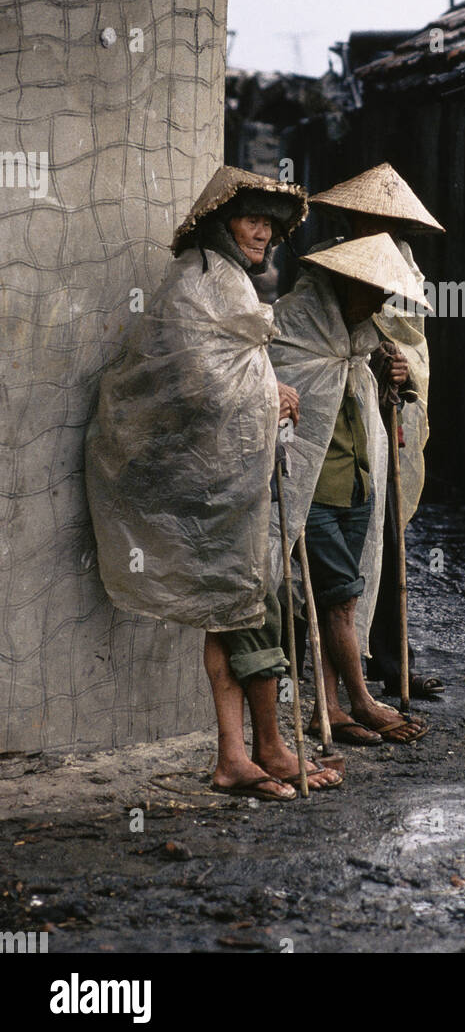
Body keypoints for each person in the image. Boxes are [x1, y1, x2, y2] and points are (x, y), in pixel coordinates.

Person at [85, 165, 339, 801]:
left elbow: (229, 368)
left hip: (232, 482)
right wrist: (266, 393)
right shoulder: (200, 280)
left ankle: (246, 754)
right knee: (244, 609)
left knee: (243, 611)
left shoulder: (225, 280)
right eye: (253, 220)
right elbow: (195, 384)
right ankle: (262, 750)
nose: (265, 234)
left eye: (273, 225)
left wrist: (262, 387)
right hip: (207, 488)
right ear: (222, 223)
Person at [269, 234, 430, 746]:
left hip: (358, 483)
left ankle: (330, 710)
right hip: (312, 488)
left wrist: (393, 377)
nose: (378, 304)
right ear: (341, 282)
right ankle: (361, 700)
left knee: (342, 597)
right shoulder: (293, 325)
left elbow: (371, 403)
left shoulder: (363, 343)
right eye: (369, 291)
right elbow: (263, 384)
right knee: (337, 599)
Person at [309, 164, 446, 698]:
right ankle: (337, 667)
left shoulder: (407, 273)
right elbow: (320, 342)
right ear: (349, 217)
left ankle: (394, 661)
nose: (375, 228)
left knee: (387, 534)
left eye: (386, 223)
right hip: (340, 415)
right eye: (365, 219)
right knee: (337, 538)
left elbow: (414, 346)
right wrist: (366, 363)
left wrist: (401, 371)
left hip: (386, 413)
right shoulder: (325, 264)